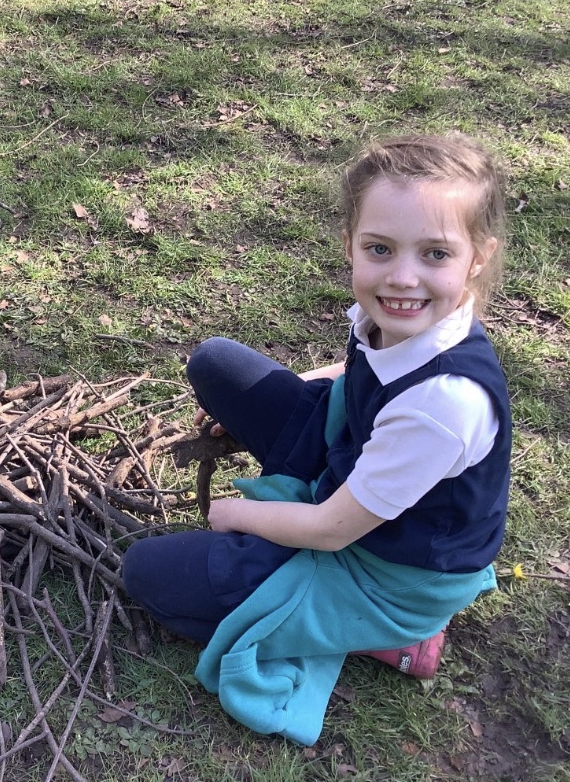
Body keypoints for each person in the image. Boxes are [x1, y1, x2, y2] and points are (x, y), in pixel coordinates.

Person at [121, 133, 512, 745]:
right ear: (351, 242)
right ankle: (325, 592)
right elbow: (358, 372)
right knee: (217, 366)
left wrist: (238, 514)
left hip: (387, 568)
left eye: (435, 254)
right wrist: (290, 394)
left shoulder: (444, 405)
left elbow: (332, 530)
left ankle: (385, 634)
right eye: (379, 249)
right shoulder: (395, 318)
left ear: (477, 258)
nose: (403, 278)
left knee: (149, 573)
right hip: (347, 455)